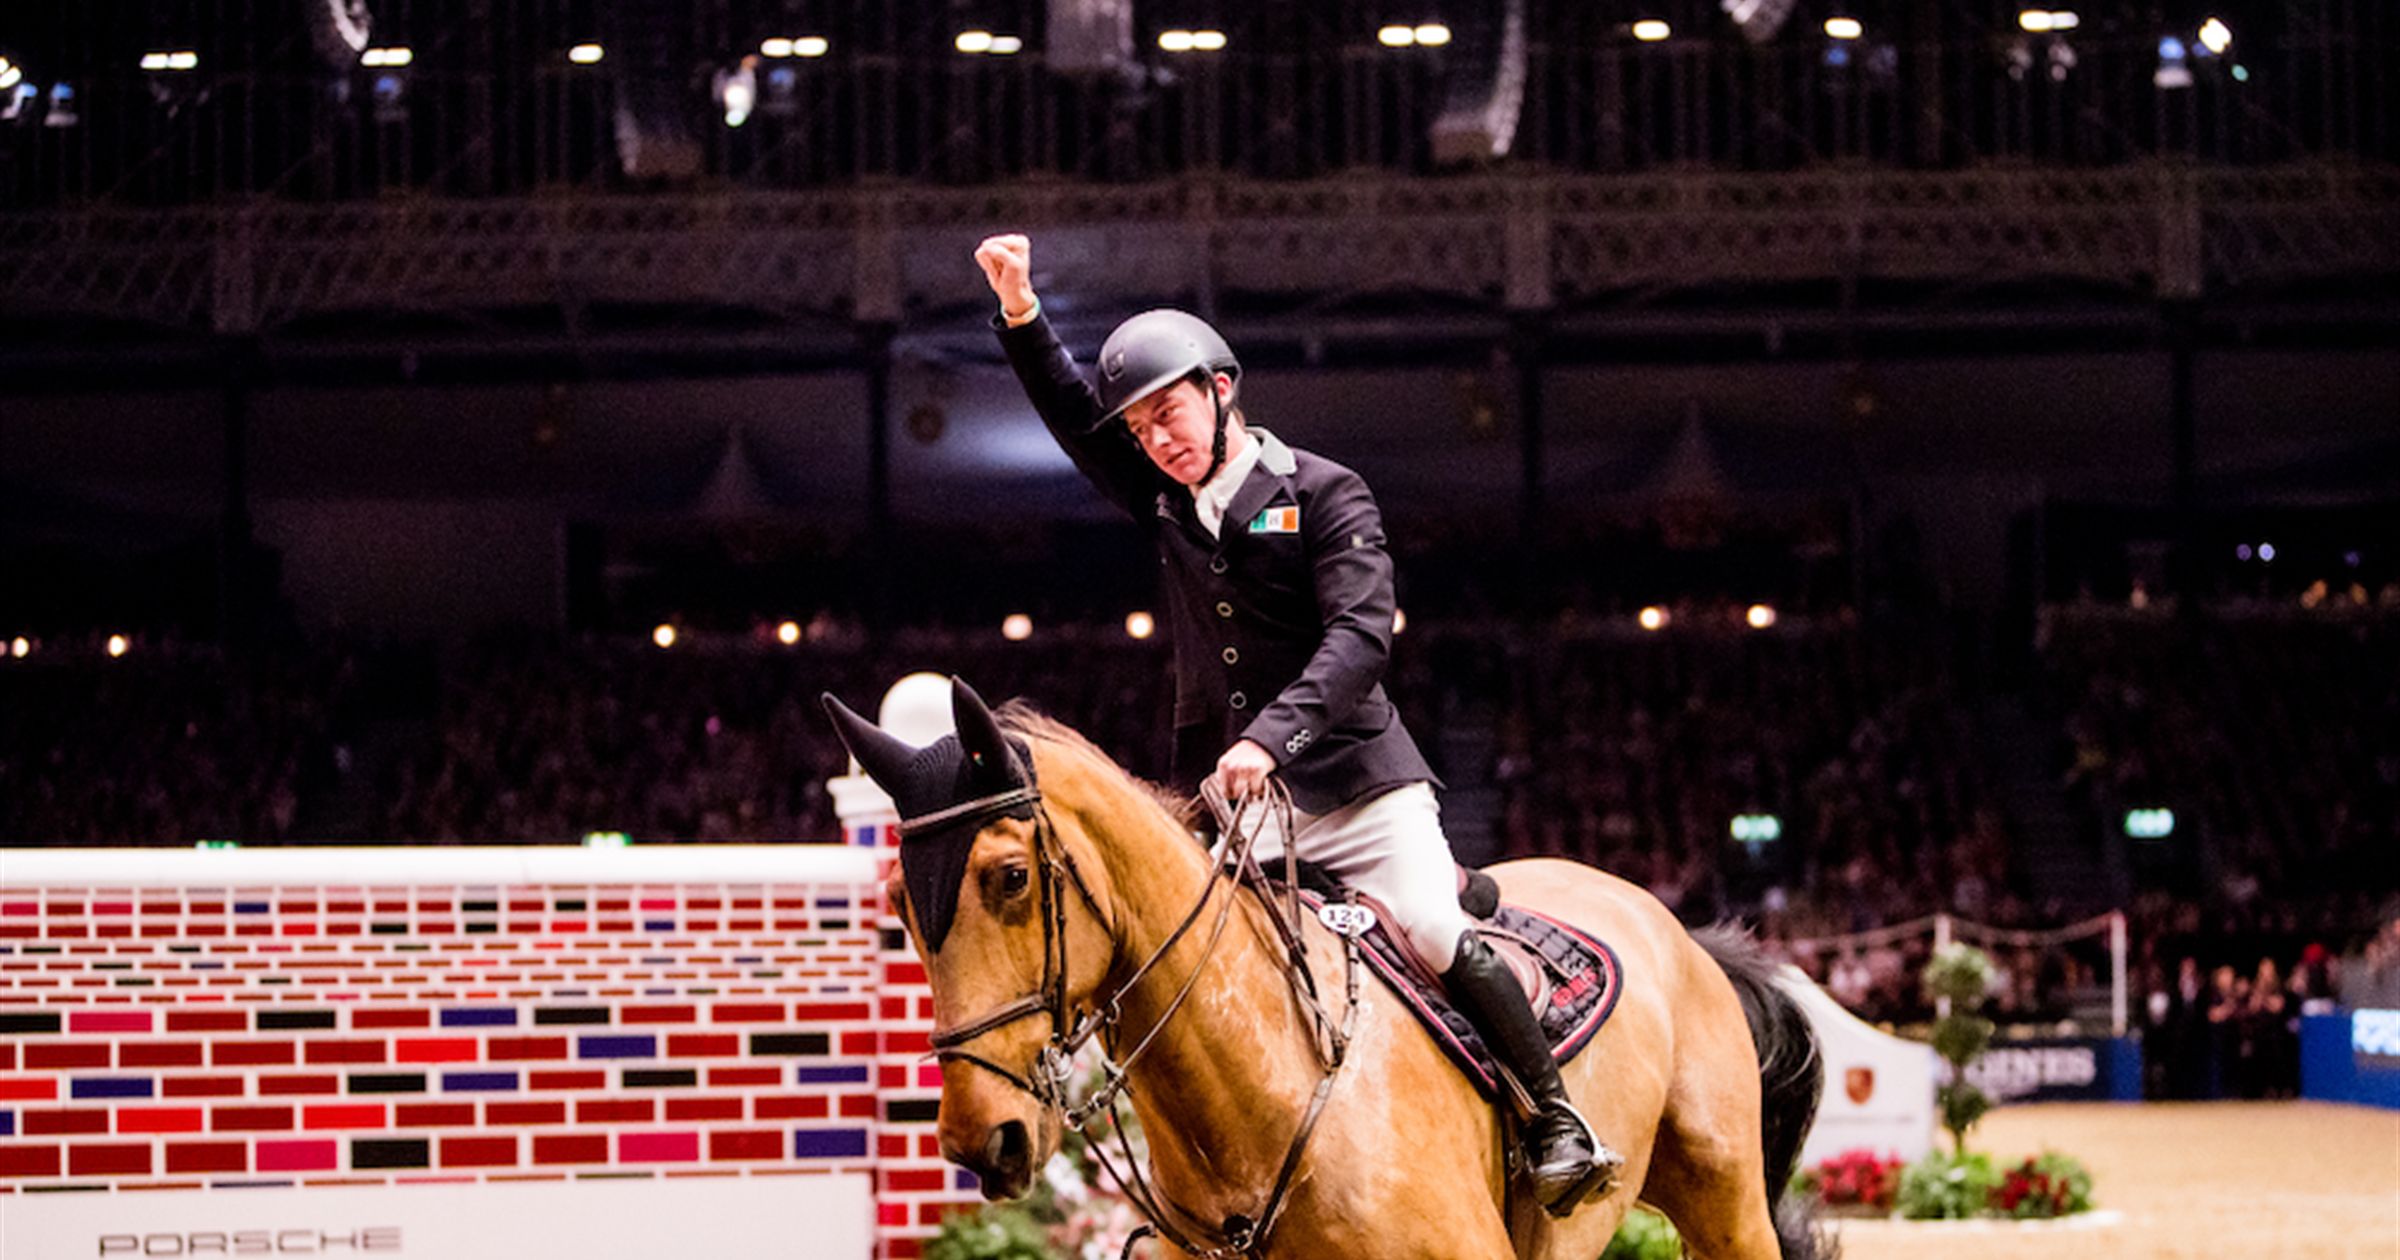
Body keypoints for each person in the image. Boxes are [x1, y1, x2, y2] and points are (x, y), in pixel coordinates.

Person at [974, 233, 1618, 1207]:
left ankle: (1557, 1117)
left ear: (1222, 390)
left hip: (1357, 785)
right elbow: (1073, 418)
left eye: (1169, 413)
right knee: (1194, 966)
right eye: (1142, 430)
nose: (1157, 439)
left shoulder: (1325, 492)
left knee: (1435, 932)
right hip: (1241, 805)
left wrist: (1266, 741)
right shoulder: (1164, 498)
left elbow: (1361, 638)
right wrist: (1020, 311)